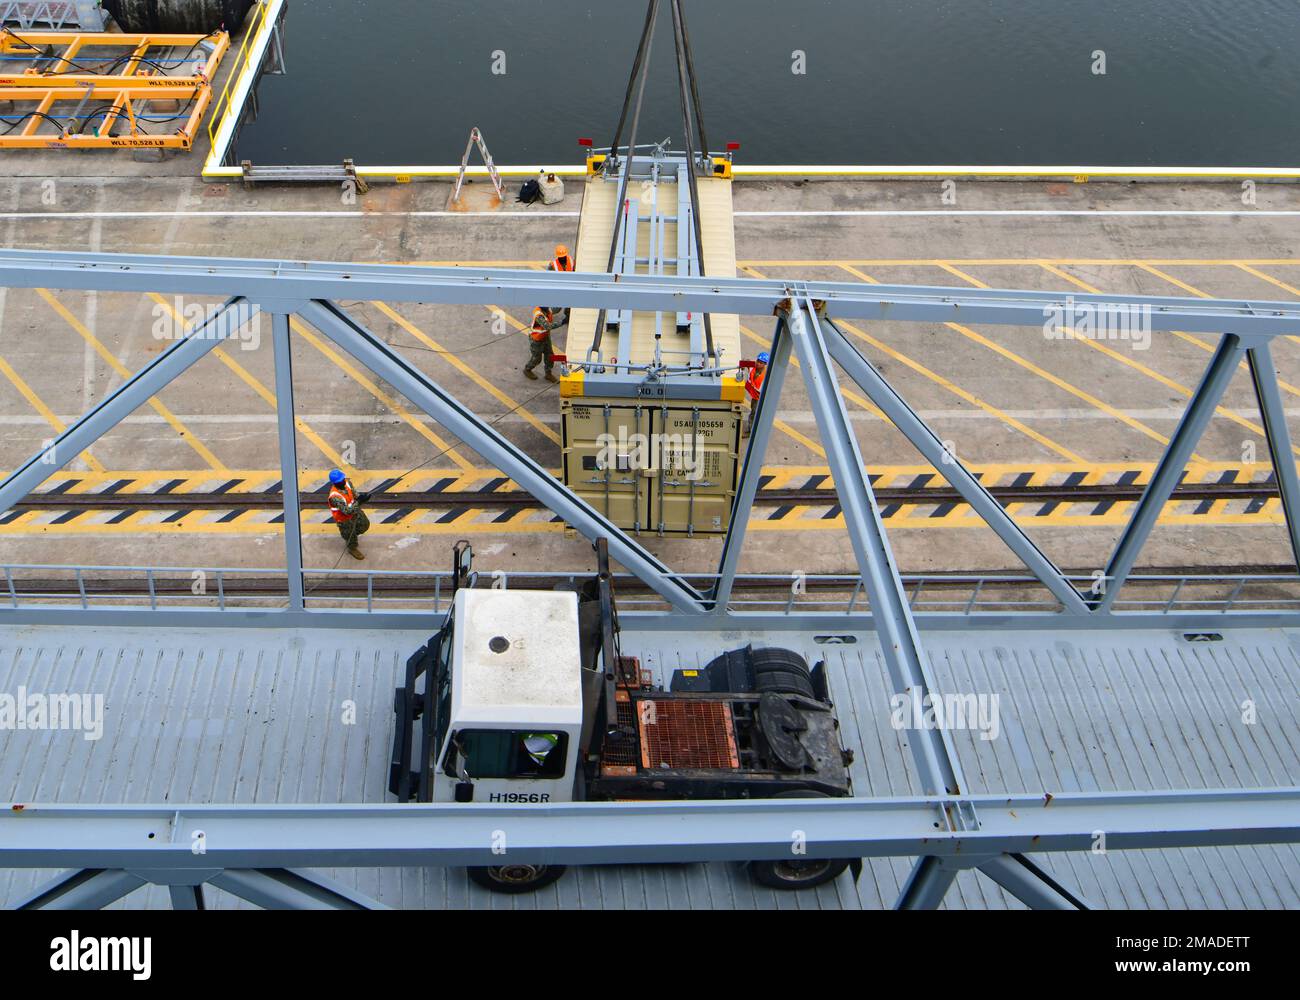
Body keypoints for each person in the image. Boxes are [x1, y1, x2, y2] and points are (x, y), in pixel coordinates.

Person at [327, 469, 371, 560]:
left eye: (343, 479)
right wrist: (359, 502)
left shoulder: (347, 483)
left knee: (365, 525)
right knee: (350, 536)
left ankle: (352, 535)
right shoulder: (335, 497)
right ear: (335, 483)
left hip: (355, 512)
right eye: (340, 481)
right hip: (344, 520)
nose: (343, 481)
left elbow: (354, 494)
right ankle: (352, 547)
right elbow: (347, 511)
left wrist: (361, 497)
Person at [525, 305, 564, 383]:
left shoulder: (547, 309)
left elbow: (555, 310)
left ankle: (548, 373)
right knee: (537, 358)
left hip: (545, 337)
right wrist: (562, 322)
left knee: (550, 355)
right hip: (536, 339)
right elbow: (547, 326)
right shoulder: (539, 315)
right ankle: (527, 369)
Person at [744, 351, 769, 436]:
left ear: (764, 364)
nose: (758, 363)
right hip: (755, 397)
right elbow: (746, 364)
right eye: (758, 361)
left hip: (759, 398)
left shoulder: (766, 375)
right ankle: (752, 429)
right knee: (753, 412)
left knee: (754, 414)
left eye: (761, 363)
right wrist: (745, 362)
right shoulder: (753, 367)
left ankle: (751, 432)